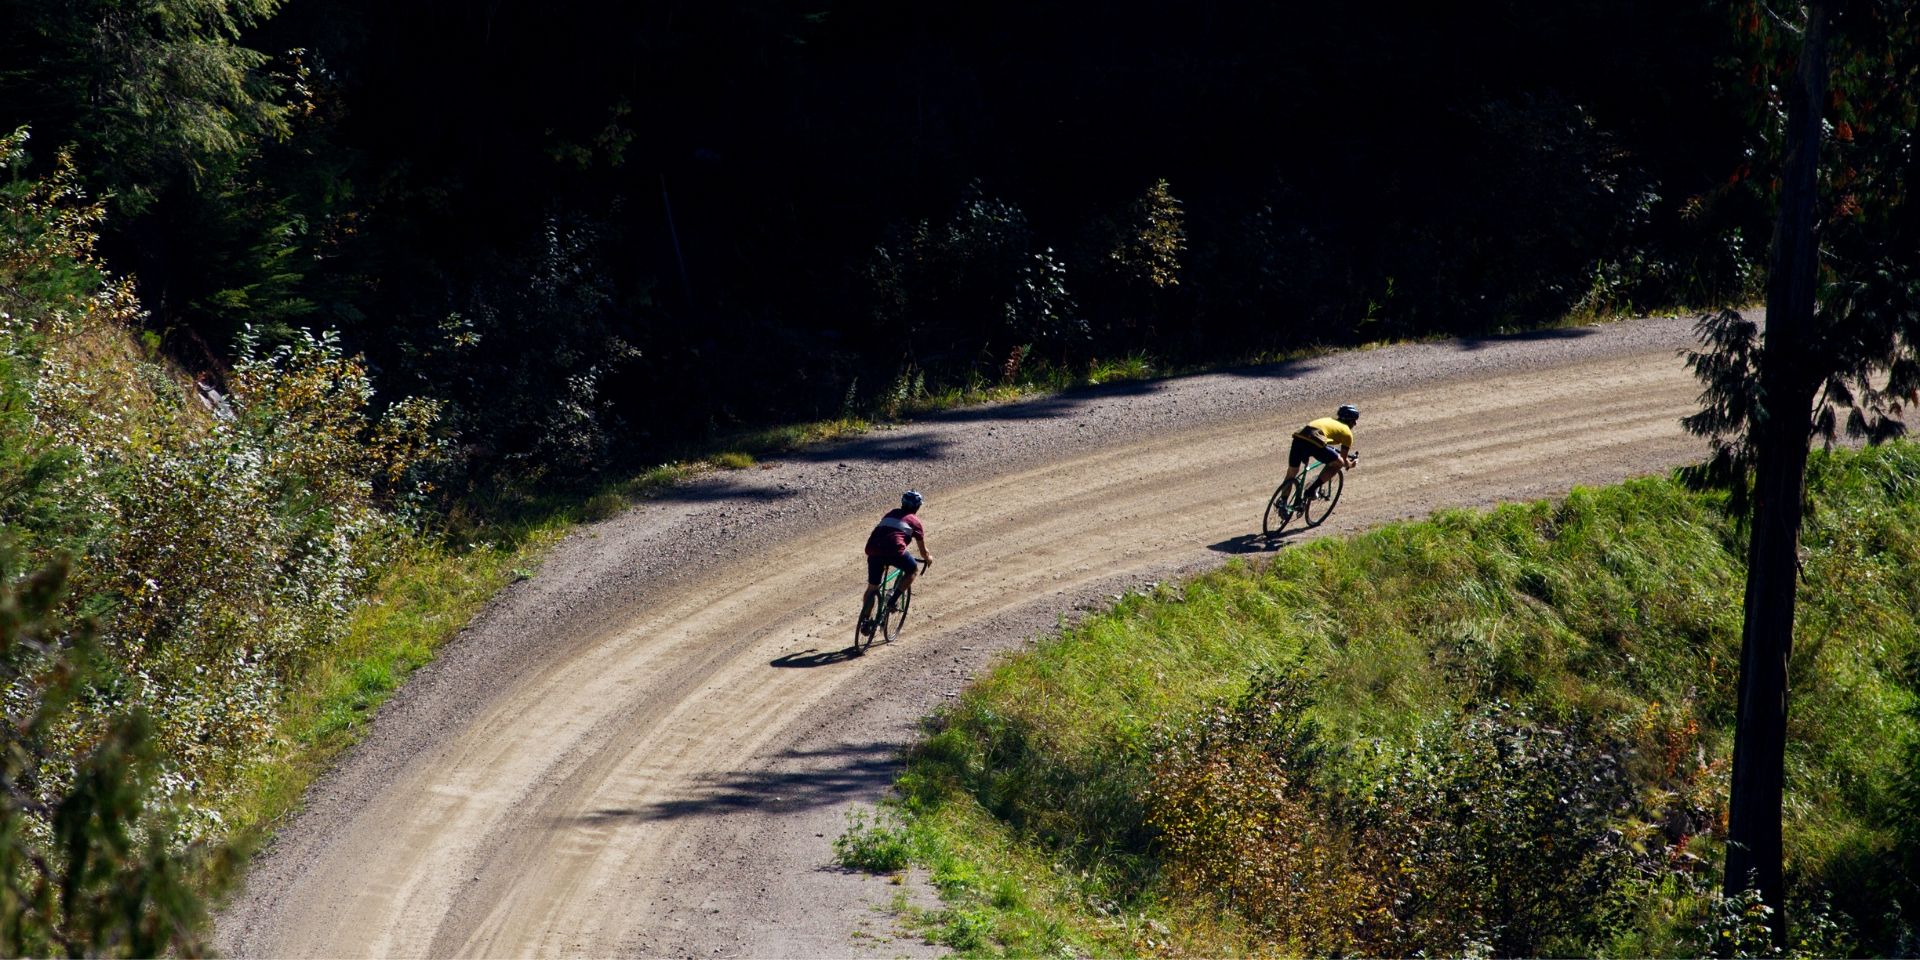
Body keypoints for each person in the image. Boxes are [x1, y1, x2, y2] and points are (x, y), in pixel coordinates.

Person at [860, 490, 932, 635]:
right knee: (912, 570)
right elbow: (923, 551)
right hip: (894, 551)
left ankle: (865, 620)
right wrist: (928, 558)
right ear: (917, 507)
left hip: (873, 550)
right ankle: (893, 600)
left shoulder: (890, 513)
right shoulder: (915, 521)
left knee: (872, 588)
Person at [1281, 404, 1360, 510]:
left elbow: (1324, 439)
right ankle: (1311, 489)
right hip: (1315, 442)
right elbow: (1343, 458)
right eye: (1354, 421)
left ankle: (1282, 503)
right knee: (1339, 463)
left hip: (1299, 438)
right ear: (1351, 421)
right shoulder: (1347, 433)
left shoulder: (1328, 420)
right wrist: (1350, 464)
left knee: (1292, 472)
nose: (1355, 423)